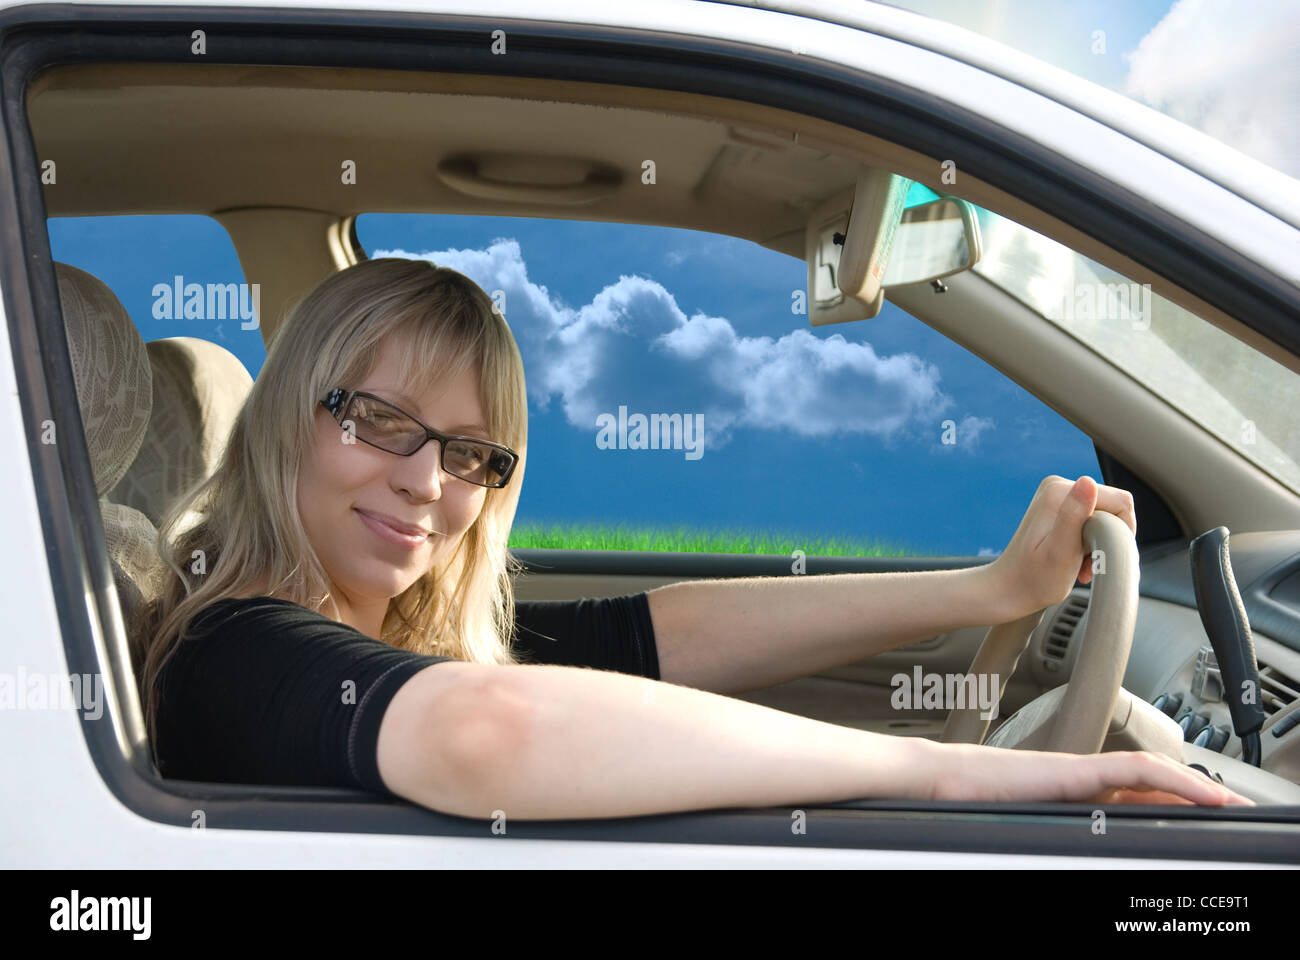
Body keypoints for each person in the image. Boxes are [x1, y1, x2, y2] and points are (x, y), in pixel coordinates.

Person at [137, 257, 1251, 819]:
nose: (428, 481)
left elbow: (655, 639)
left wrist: (987, 589)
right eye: (379, 420)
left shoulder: (389, 627)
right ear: (291, 416)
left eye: (472, 452)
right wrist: (952, 776)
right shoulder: (233, 650)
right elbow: (488, 728)